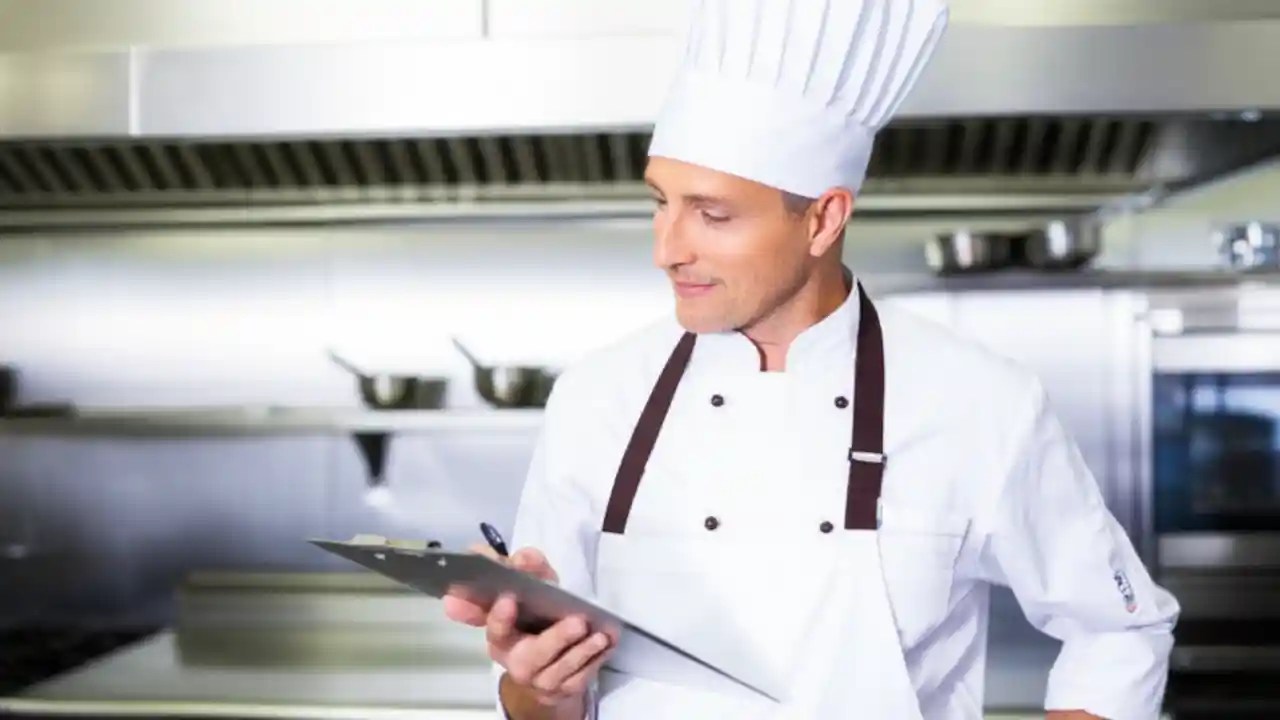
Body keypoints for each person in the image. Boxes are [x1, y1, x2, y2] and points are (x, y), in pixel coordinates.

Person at [444, 0, 1180, 717]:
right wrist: (540, 689)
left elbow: (1116, 630)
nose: (667, 249)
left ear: (823, 218)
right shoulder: (597, 397)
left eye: (713, 213)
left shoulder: (979, 402)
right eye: (660, 202)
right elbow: (537, 703)